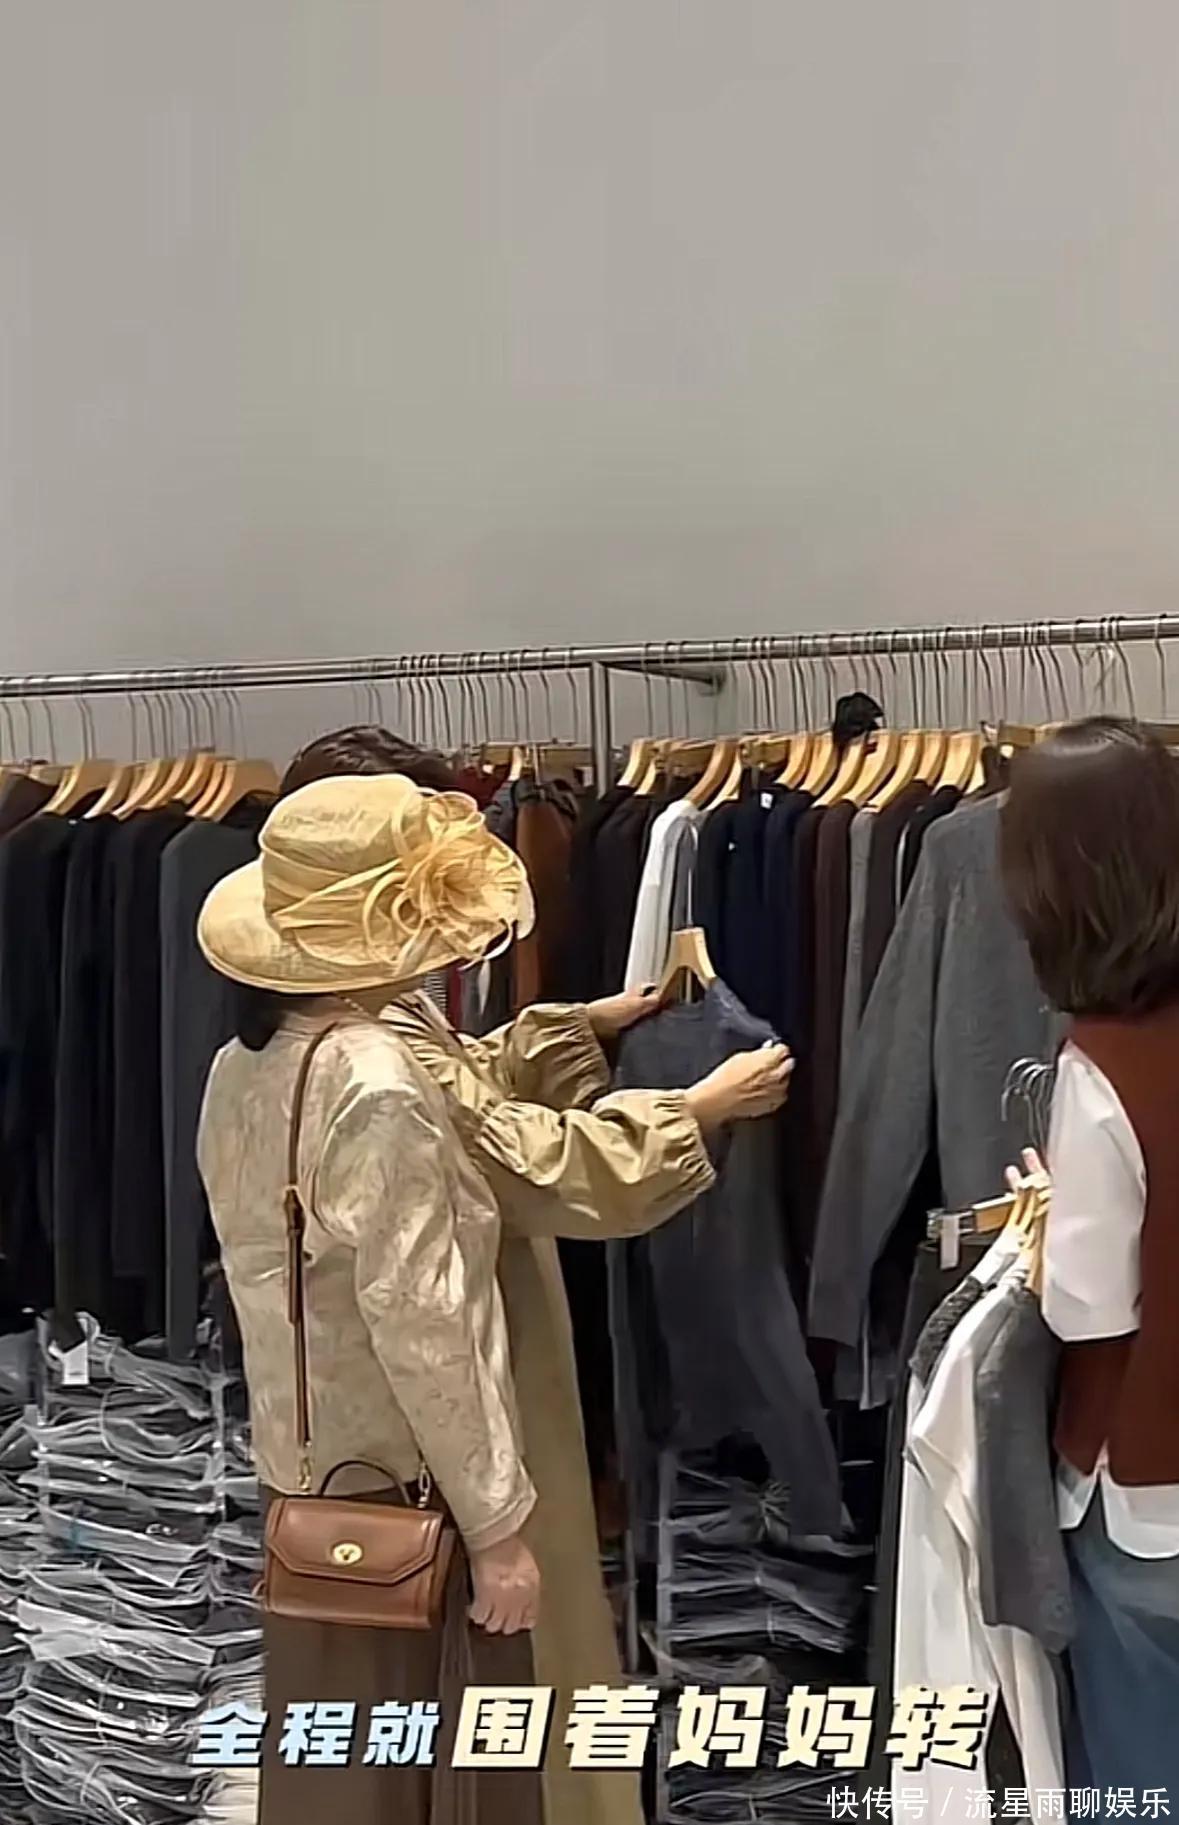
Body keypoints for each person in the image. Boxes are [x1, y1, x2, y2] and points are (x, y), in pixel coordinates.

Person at [198, 768, 791, 1825]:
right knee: (464, 1769)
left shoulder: (248, 1064)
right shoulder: (377, 1081)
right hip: (414, 1483)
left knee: (347, 1764)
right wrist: (498, 1526)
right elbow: (425, 1321)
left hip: (312, 1477)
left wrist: (578, 1031)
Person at [1000, 716, 1179, 1798]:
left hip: (1153, 1488)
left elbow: (1087, 1306)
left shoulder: (1103, 1062)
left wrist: (1046, 1212)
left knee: (1141, 1772)